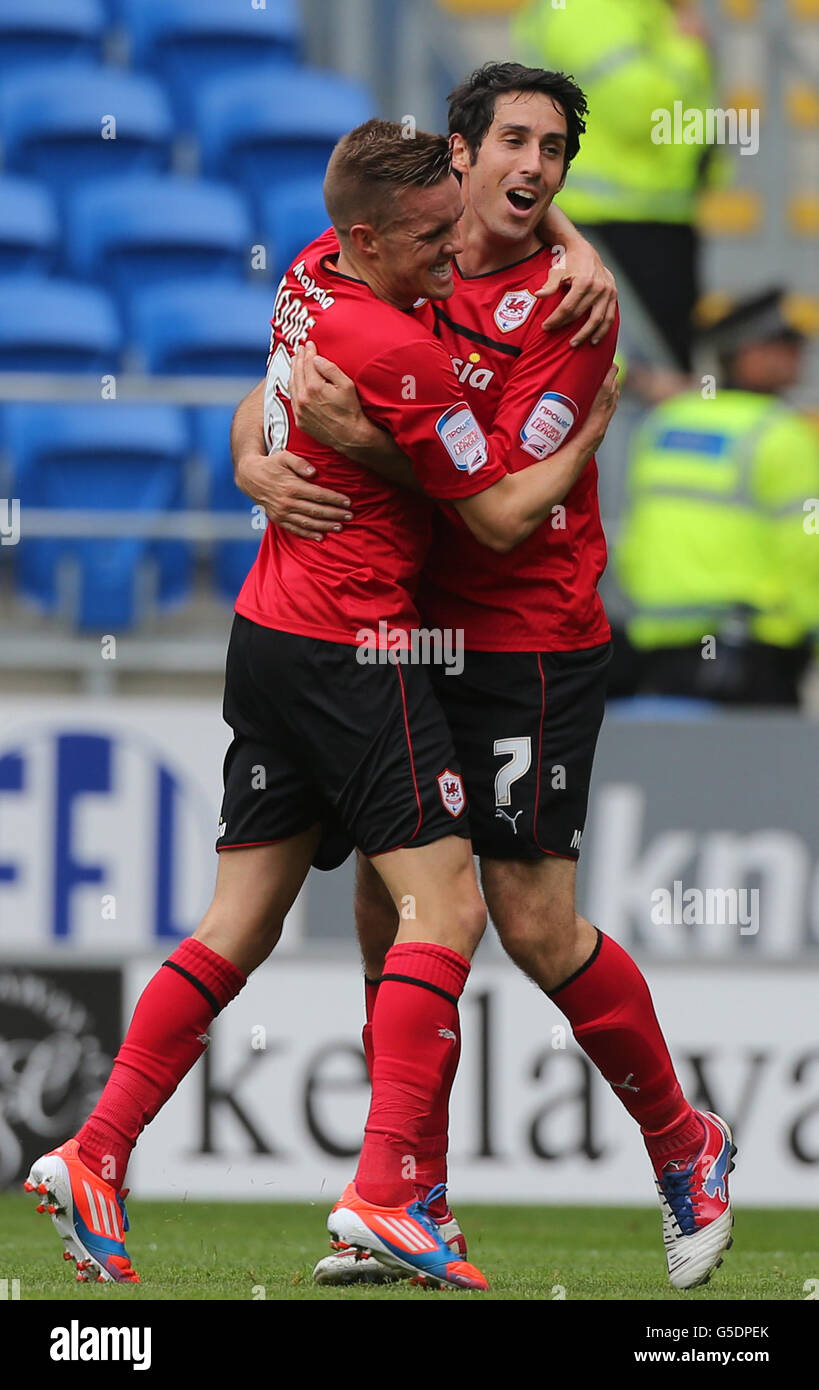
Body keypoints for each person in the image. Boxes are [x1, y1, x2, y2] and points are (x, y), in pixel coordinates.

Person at [25, 118, 618, 1292]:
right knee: (445, 907)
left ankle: (94, 1154)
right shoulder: (405, 353)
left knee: (234, 920)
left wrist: (565, 229)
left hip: (266, 632)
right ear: (367, 236)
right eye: (431, 237)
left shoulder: (307, 270)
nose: (454, 250)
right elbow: (496, 516)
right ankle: (391, 1192)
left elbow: (271, 406)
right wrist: (588, 435)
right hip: (357, 646)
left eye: (459, 223)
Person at [233, 62, 736, 1294]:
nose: (535, 169)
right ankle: (415, 1197)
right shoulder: (386, 246)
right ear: (458, 159)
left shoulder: (572, 308)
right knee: (390, 909)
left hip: (529, 639)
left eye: (556, 153)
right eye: (514, 141)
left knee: (531, 923)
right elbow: (278, 379)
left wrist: (365, 446)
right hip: (402, 631)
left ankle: (688, 1145)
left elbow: (503, 514)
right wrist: (255, 457)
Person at [616, 288, 819, 705]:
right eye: (782, 345)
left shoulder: (667, 422)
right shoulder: (781, 433)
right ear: (746, 354)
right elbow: (805, 550)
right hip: (753, 653)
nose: (797, 355)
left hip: (656, 646)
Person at [513, 0, 722, 374]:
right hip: (609, 223)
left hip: (657, 218)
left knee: (664, 368)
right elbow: (639, 110)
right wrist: (688, 48)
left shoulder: (647, 11)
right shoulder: (590, 10)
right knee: (631, 369)